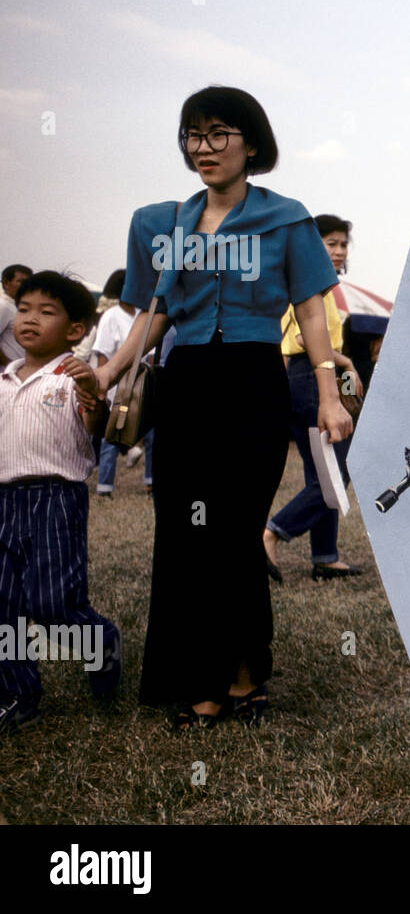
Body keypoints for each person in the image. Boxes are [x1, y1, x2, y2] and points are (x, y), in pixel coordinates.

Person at [94, 86, 351, 729]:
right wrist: (108, 372)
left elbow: (312, 312)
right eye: (193, 136)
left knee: (235, 533)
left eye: (218, 134)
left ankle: (243, 672)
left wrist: (326, 395)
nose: (202, 149)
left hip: (255, 380)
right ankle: (202, 683)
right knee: (185, 537)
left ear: (252, 144)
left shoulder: (287, 218)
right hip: (188, 385)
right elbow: (152, 319)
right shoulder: (160, 222)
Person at [0, 272, 121, 732]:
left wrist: (92, 394)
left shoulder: (74, 377)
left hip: (54, 498)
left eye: (46, 312)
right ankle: (18, 693)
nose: (30, 319)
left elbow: (96, 427)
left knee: (52, 603)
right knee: (3, 604)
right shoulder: (5, 379)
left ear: (75, 330)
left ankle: (102, 642)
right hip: (3, 498)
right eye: (24, 308)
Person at [263, 215, 366, 582]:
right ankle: (272, 532)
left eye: (343, 244)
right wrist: (347, 362)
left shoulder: (314, 284)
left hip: (307, 378)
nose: (339, 251)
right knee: (334, 474)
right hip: (313, 377)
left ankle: (325, 556)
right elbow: (308, 340)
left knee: (321, 471)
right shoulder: (311, 287)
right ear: (313, 246)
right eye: (331, 243)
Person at [90, 270, 153, 498]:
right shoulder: (111, 317)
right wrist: (104, 389)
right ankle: (104, 487)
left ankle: (150, 482)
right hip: (119, 389)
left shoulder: (144, 315)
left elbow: (151, 354)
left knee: (152, 436)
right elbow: (103, 356)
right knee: (113, 437)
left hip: (143, 386)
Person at [0, 264, 34, 368]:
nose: (26, 287)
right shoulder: (3, 306)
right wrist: (8, 364)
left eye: (28, 283)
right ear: (6, 282)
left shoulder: (16, 307)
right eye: (21, 282)